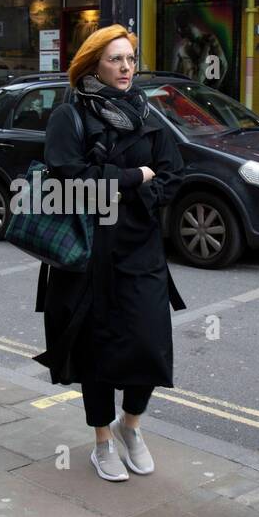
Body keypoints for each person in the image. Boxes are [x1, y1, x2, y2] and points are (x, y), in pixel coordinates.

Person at [33, 25, 185, 482]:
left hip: (140, 249)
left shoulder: (147, 113)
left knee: (150, 343)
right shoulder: (70, 116)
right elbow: (66, 178)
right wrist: (134, 177)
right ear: (93, 64)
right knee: (94, 350)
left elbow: (173, 174)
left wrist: (137, 189)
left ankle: (130, 425)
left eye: (130, 59)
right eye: (115, 59)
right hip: (87, 253)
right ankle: (102, 441)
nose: (125, 68)